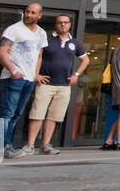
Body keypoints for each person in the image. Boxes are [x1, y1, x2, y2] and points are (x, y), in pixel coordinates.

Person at [24, 14, 88, 155]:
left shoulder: (74, 43)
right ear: (56, 24)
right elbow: (38, 56)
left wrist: (76, 75)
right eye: (60, 22)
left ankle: (45, 145)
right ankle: (30, 145)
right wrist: (36, 74)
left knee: (54, 116)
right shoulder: (47, 39)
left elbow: (85, 60)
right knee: (37, 114)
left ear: (70, 24)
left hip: (64, 86)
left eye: (65, 22)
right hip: (46, 83)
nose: (63, 25)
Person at [0, 3, 48, 158]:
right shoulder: (14, 29)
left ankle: (7, 145)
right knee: (7, 112)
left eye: (33, 13)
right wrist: (13, 70)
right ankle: (2, 146)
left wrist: (35, 75)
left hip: (29, 79)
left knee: (17, 114)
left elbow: (39, 56)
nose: (29, 15)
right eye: (27, 12)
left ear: (39, 15)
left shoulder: (41, 33)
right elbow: (1, 53)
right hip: (13, 78)